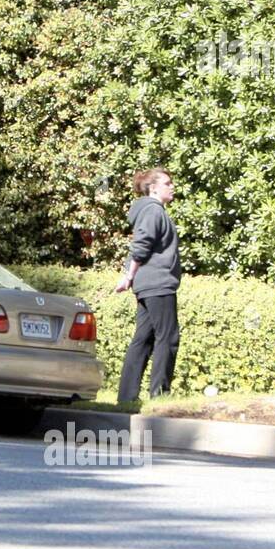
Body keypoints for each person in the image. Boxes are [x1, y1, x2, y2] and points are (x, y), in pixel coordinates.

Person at [114, 168, 182, 403]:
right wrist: (128, 276)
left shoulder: (150, 211)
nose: (172, 186)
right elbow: (140, 247)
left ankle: (126, 397)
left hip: (149, 284)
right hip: (158, 283)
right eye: (167, 183)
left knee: (144, 338)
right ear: (153, 188)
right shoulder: (153, 211)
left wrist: (131, 277)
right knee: (168, 337)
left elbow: (140, 245)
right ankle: (159, 394)